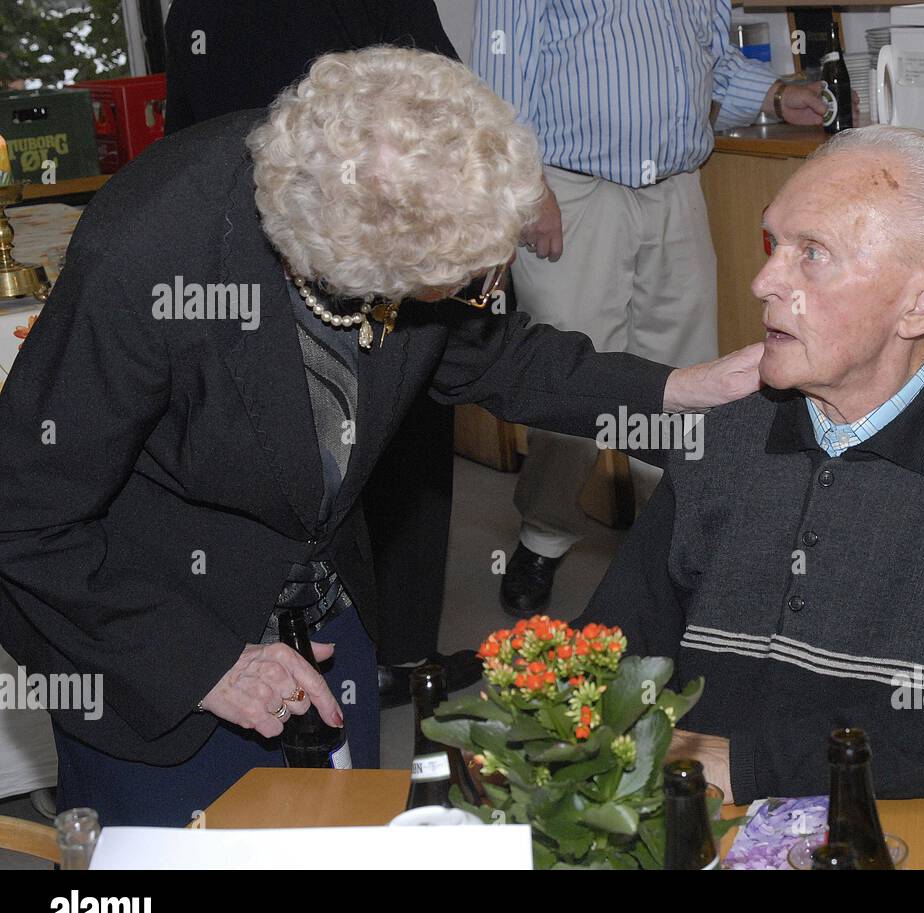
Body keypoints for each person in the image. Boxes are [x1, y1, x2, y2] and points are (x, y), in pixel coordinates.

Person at [0, 48, 758, 826]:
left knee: (344, 837)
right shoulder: (150, 250)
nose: (481, 295)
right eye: (458, 284)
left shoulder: (404, 207)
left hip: (325, 606)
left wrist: (678, 390)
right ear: (354, 266)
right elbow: (23, 517)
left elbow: (482, 354)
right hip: (153, 639)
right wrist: (200, 666)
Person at [578, 126, 924, 803]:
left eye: (812, 254)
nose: (764, 280)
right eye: (774, 245)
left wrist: (754, 765)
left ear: (921, 304)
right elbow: (601, 660)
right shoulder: (720, 439)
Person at [473, 0, 835, 618]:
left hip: (675, 187)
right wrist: (527, 189)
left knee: (689, 376)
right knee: (569, 376)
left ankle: (673, 536)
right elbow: (497, 85)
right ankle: (543, 538)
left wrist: (774, 95)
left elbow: (714, 63)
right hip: (571, 191)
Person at [164, 0, 478, 698]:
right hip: (355, 251)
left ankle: (318, 642)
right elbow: (445, 103)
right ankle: (392, 654)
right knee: (398, 450)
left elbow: (179, 140)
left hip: (242, 251)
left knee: (286, 458)